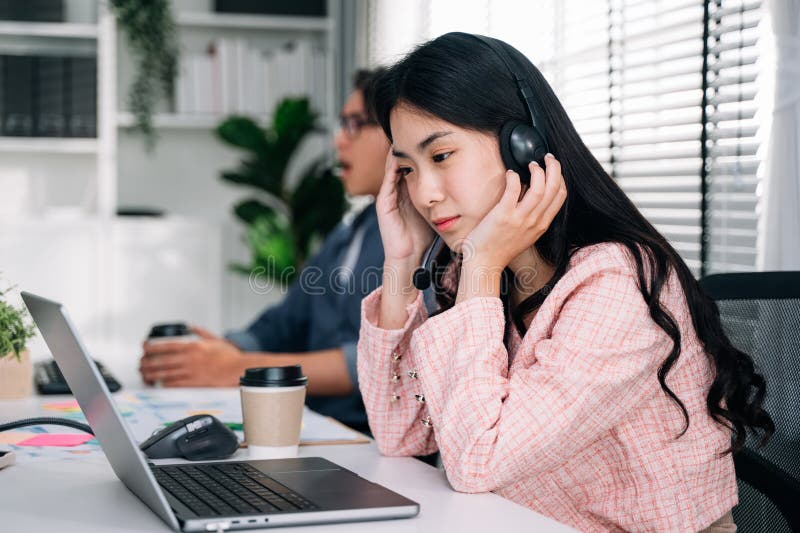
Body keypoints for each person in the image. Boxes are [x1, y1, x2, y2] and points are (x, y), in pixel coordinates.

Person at [357, 32, 773, 532]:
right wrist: (402, 259)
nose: (424, 193)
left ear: (522, 146)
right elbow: (401, 437)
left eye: (441, 156)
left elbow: (478, 462)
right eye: (407, 169)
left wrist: (482, 269)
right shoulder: (476, 277)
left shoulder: (616, 283)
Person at [139, 68, 388, 433]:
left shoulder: (419, 242)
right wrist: (210, 353)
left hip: (365, 440)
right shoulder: (350, 233)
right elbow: (285, 320)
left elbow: (370, 362)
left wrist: (234, 368)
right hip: (315, 424)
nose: (339, 141)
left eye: (354, 124)